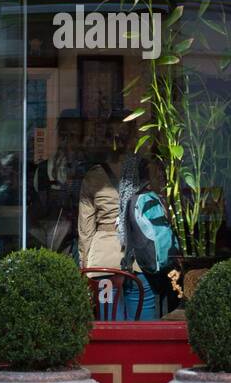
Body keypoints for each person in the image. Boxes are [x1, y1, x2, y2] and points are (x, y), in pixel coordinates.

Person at [78, 113, 160, 319]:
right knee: (143, 328)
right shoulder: (146, 171)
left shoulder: (93, 176)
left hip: (104, 260)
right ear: (134, 138)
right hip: (142, 255)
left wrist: (85, 266)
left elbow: (85, 230)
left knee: (110, 325)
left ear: (106, 140)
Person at [30, 110, 86, 255]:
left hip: (81, 245)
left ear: (81, 139)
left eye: (73, 136)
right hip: (51, 245)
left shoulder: (89, 170)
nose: (67, 142)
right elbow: (35, 218)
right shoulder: (43, 171)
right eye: (63, 136)